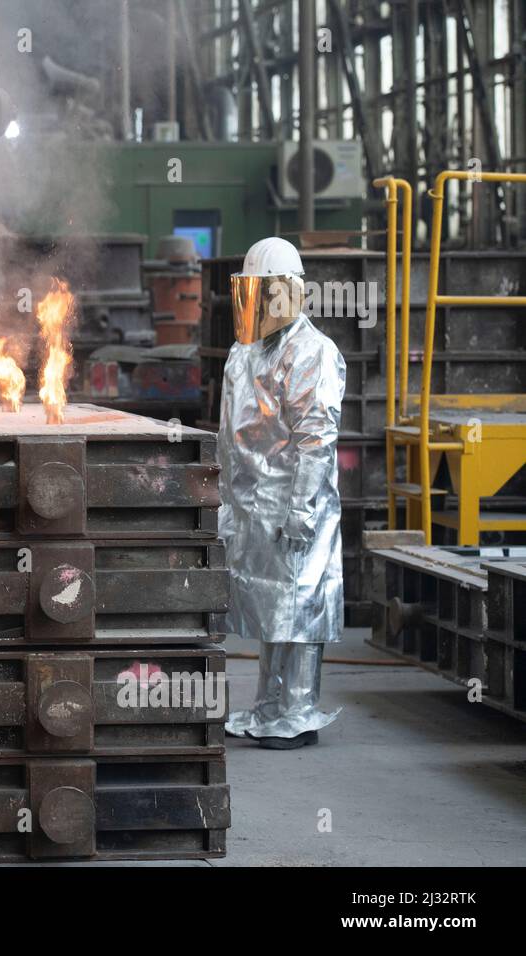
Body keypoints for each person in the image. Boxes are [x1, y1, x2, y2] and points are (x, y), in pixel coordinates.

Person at [219, 237, 346, 750]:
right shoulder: (246, 351)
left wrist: (301, 506)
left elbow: (316, 440)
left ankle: (297, 710)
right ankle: (269, 706)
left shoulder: (312, 352)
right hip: (254, 504)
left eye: (261, 292)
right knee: (274, 609)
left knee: (300, 606)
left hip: (294, 503)